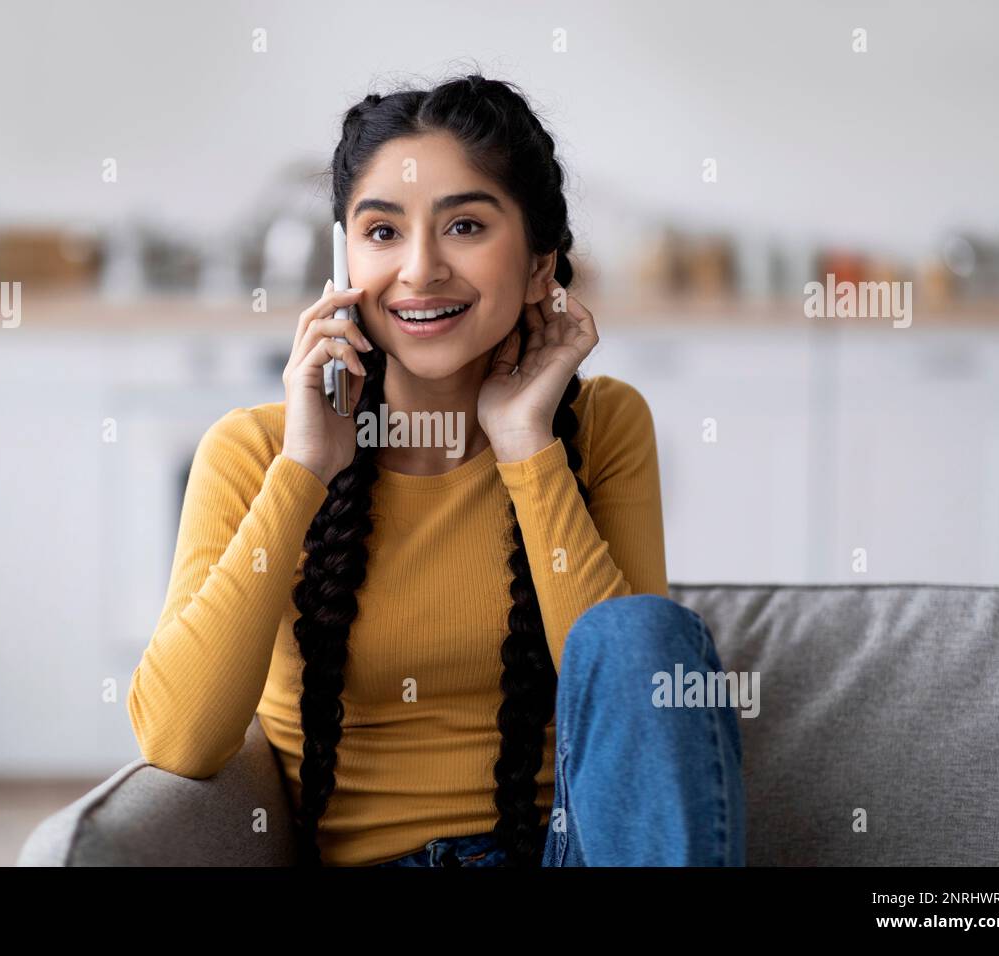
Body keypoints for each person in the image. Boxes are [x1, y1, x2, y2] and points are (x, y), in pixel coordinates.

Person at [127, 72, 745, 868]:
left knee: (643, 634)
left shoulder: (602, 426)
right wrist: (306, 466)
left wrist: (526, 445)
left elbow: (637, 702)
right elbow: (180, 740)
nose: (419, 270)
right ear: (343, 259)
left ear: (537, 266)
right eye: (382, 233)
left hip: (564, 855)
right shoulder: (254, 450)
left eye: (464, 226)